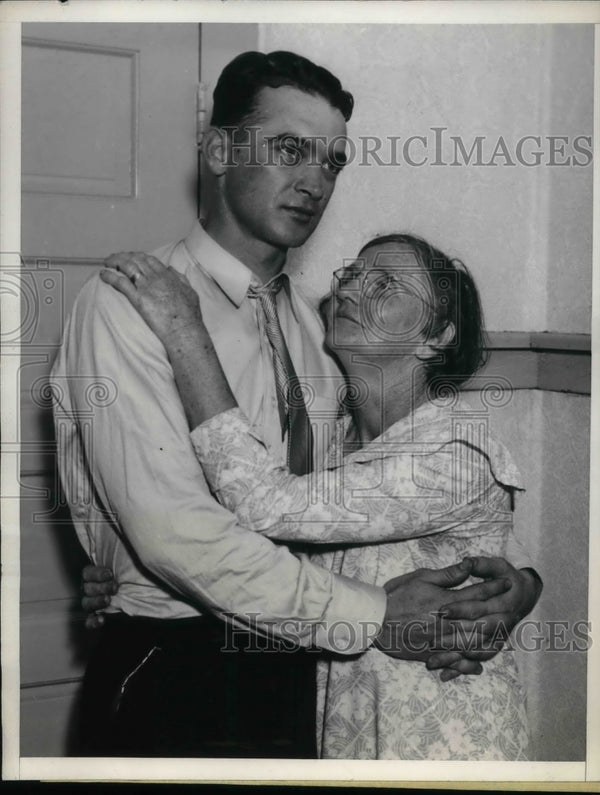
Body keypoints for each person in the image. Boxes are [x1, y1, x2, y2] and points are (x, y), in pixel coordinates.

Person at [53, 50, 541, 758]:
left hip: (307, 673)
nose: (314, 182)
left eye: (332, 162)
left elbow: (396, 482)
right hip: (178, 669)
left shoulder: (329, 331)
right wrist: (375, 615)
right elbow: (174, 538)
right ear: (219, 149)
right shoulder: (131, 304)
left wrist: (516, 584)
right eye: (290, 149)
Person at [100, 233, 533, 760]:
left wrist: (184, 330)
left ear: (437, 336)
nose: (350, 290)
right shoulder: (335, 437)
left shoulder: (457, 450)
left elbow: (262, 503)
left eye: (387, 284)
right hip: (351, 725)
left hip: (447, 737)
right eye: (352, 275)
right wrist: (130, 572)